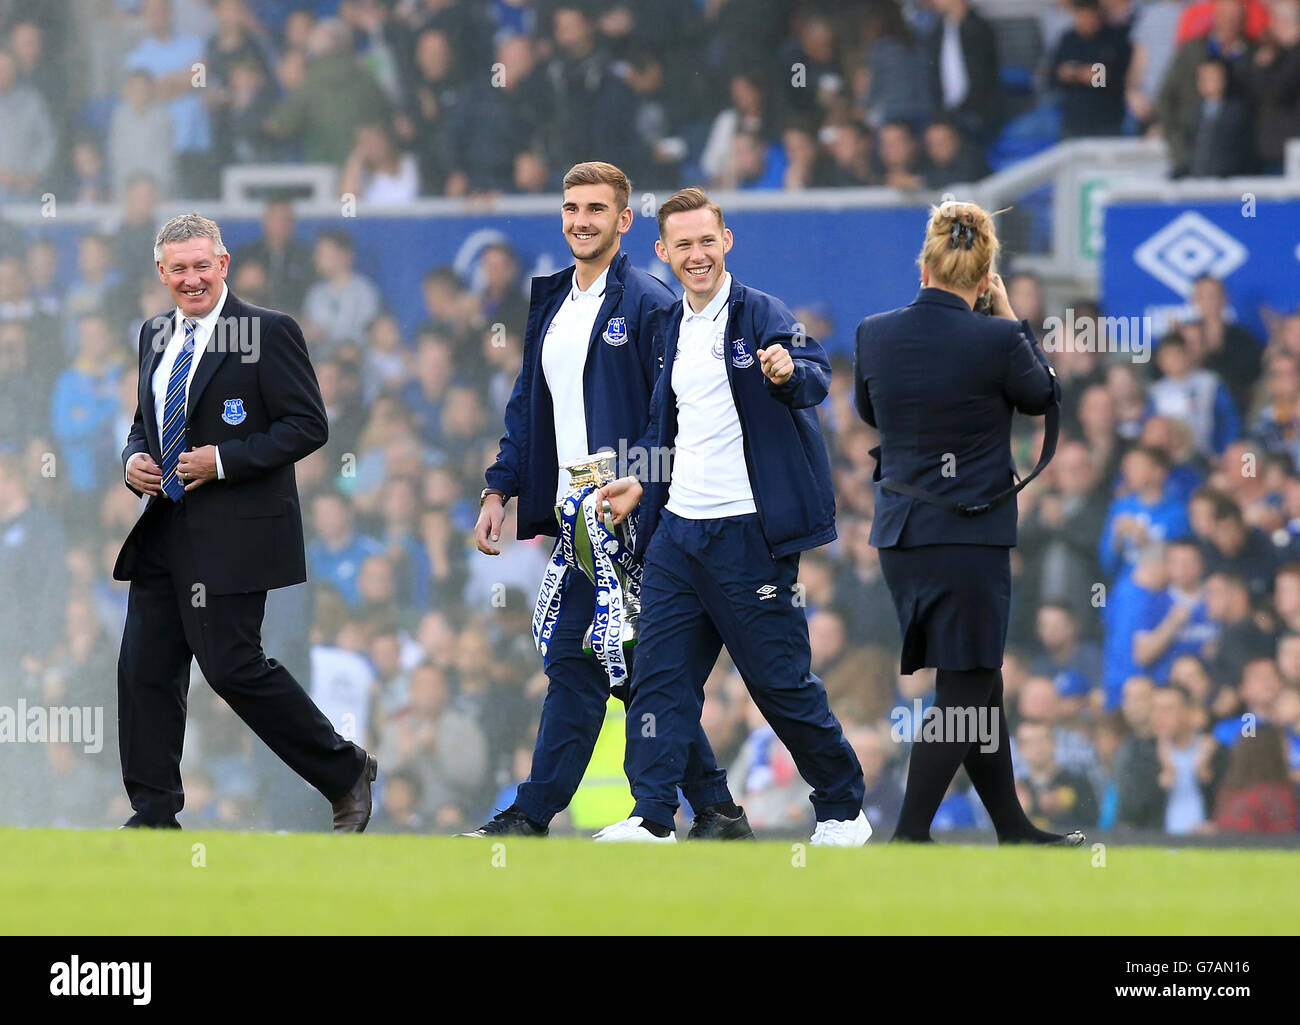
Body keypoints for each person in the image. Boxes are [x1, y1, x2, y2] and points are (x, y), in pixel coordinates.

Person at [469, 163, 747, 840]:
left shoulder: (651, 303)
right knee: (592, 665)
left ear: (625, 221)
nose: (581, 220)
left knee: (623, 668)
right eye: (571, 207)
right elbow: (527, 407)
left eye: (597, 208)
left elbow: (678, 413)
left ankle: (538, 814)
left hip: (635, 525)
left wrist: (648, 492)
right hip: (575, 523)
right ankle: (712, 809)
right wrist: (500, 485)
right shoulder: (551, 303)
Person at [593, 187, 869, 845]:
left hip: (748, 537)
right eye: (682, 244)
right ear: (662, 252)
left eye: (706, 241)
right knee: (657, 678)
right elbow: (669, 429)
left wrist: (783, 370)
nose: (696, 255)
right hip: (677, 534)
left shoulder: (761, 311)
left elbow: (814, 372)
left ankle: (842, 810)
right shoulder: (666, 328)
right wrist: (644, 486)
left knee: (779, 685)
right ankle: (654, 815)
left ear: (727, 241)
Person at [113, 213, 375, 831]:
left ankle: (344, 771)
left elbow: (309, 424)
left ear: (223, 265)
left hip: (235, 533)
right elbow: (141, 423)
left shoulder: (268, 330)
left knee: (232, 667)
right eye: (179, 268)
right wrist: (133, 462)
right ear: (162, 273)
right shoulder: (153, 334)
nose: (192, 278)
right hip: (164, 529)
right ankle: (153, 815)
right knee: (142, 669)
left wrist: (224, 460)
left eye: (203, 265)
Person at [853, 200, 1084, 845]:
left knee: (977, 678)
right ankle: (909, 835)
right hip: (968, 535)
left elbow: (870, 410)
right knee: (967, 683)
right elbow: (1043, 395)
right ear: (984, 279)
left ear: (922, 267)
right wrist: (1008, 316)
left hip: (900, 535)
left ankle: (1012, 827)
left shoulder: (874, 331)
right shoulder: (999, 336)